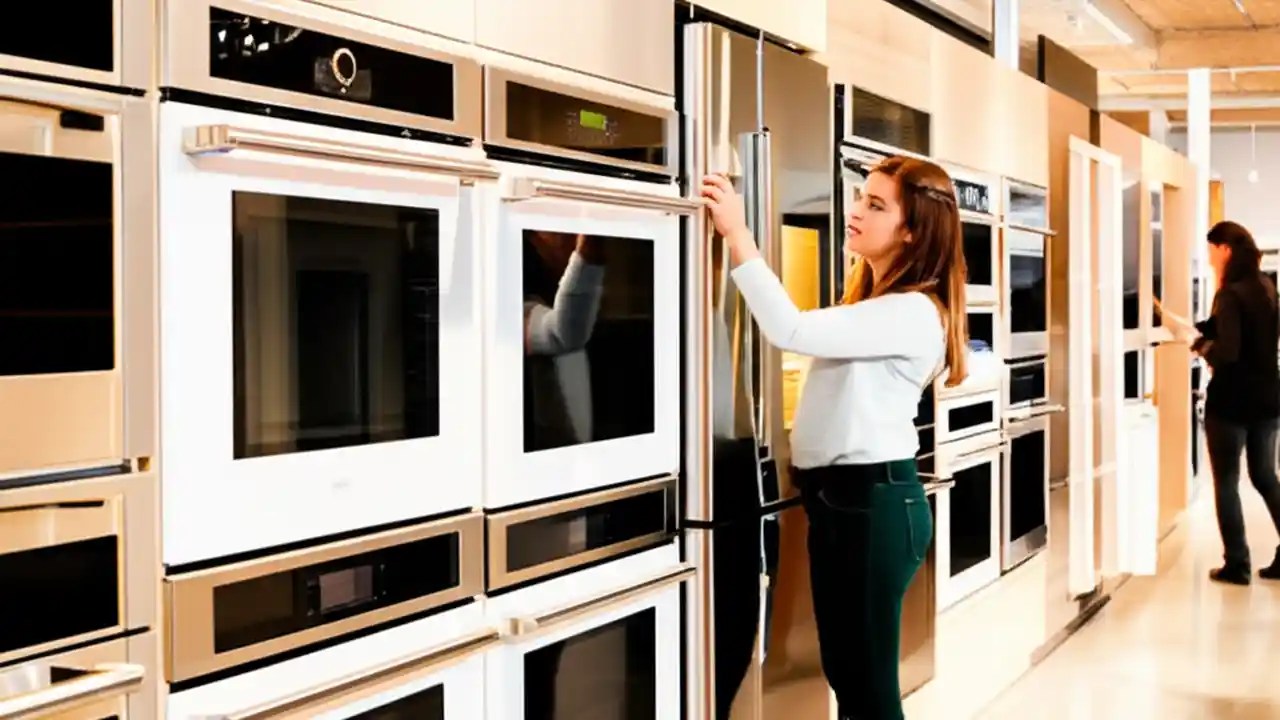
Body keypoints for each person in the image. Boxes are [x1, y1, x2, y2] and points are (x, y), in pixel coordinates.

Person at [700, 156, 968, 720]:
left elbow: (791, 329)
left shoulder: (912, 310)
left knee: (866, 689)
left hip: (871, 506)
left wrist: (737, 234)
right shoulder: (878, 301)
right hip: (848, 503)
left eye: (876, 205)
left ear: (913, 229)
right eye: (859, 198)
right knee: (850, 675)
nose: (855, 213)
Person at [1159, 220, 1280, 585]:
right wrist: (1197, 327)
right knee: (1265, 476)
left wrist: (1196, 345)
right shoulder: (1265, 286)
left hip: (1231, 403)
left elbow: (1228, 350)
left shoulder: (1229, 293)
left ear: (1225, 248)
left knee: (1226, 482)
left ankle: (1237, 564)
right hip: (1268, 400)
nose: (1210, 258)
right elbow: (1232, 328)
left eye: (1212, 250)